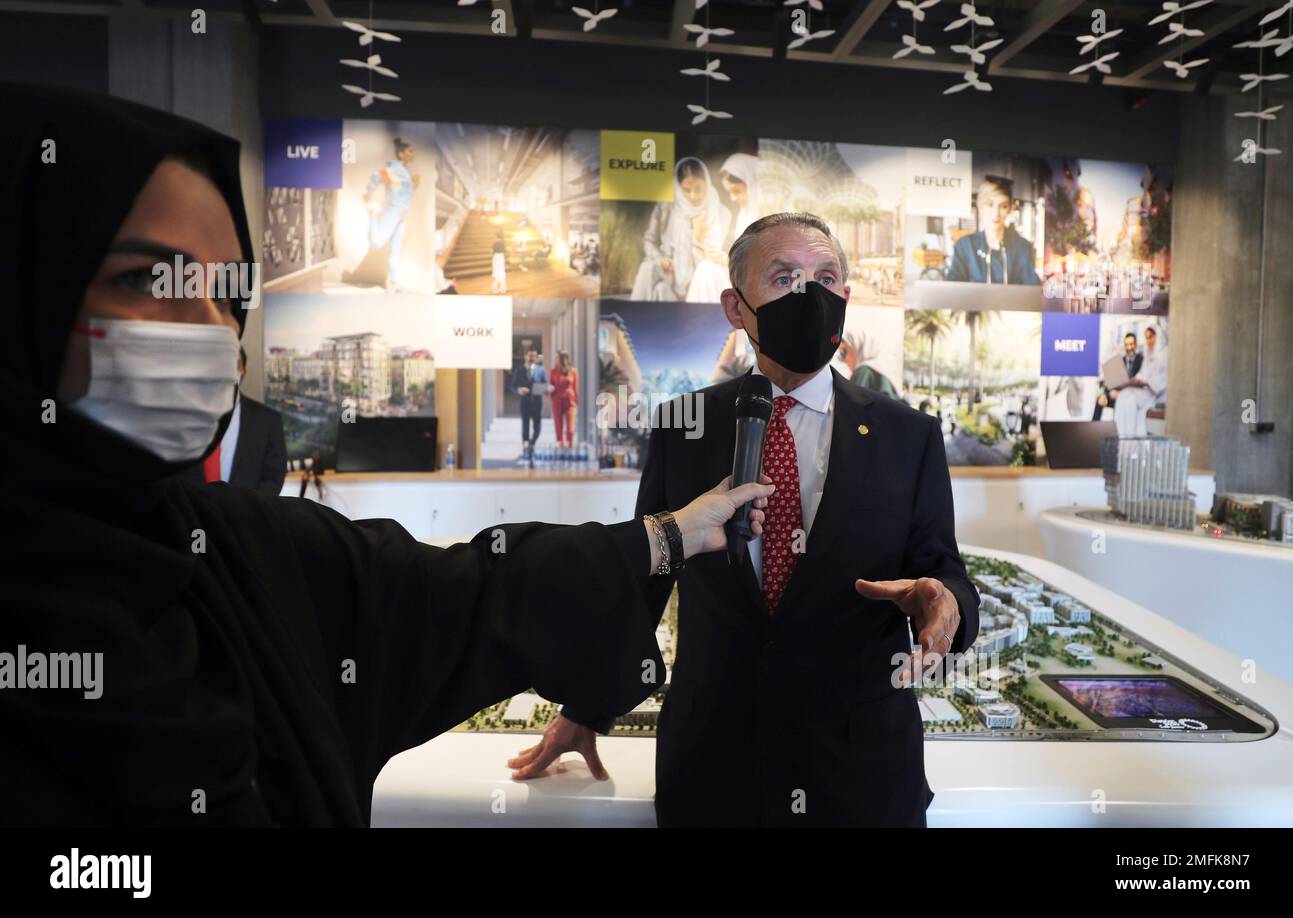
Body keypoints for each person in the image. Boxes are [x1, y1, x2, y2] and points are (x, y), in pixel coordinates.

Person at [0, 83, 773, 826]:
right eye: (147, 277)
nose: (206, 326)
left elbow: (467, 594)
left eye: (226, 291)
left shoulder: (242, 553)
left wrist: (670, 533)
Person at [514, 213, 980, 827]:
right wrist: (587, 709)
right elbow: (649, 580)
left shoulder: (907, 436)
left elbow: (943, 573)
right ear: (737, 307)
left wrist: (946, 601)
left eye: (825, 277)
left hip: (860, 774)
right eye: (785, 277)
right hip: (713, 769)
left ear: (843, 297)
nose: (808, 295)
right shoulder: (684, 425)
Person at [183, 346, 287, 495]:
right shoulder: (183, 417)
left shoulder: (269, 421)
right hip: (190, 514)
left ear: (242, 370)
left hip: (247, 515)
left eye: (233, 363)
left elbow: (273, 477)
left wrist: (248, 513)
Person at [629, 157, 727, 301]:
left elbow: (710, 257)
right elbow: (649, 240)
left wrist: (697, 236)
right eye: (686, 190)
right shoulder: (665, 207)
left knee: (706, 269)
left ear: (707, 183)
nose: (693, 196)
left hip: (699, 275)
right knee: (647, 269)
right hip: (668, 272)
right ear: (678, 187)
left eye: (698, 189)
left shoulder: (720, 212)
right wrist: (660, 259)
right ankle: (632, 317)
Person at [343, 137, 419, 293]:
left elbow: (402, 193)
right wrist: (368, 193)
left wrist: (413, 185)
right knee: (377, 244)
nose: (414, 153)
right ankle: (373, 214)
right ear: (401, 153)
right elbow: (377, 176)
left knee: (395, 251)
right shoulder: (395, 168)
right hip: (394, 210)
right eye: (410, 150)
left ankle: (393, 282)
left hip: (401, 215)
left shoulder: (403, 172)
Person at [685, 152, 760, 304]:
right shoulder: (743, 215)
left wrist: (728, 261)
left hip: (758, 286)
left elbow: (765, 263)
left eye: (736, 191)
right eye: (730, 192)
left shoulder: (769, 214)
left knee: (707, 270)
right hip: (741, 280)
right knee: (706, 268)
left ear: (752, 183)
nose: (733, 198)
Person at [945, 179, 1041, 285]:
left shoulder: (1022, 247)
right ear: (981, 207)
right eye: (990, 205)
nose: (996, 213)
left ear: (1009, 209)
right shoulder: (965, 246)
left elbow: (1032, 289)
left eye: (1003, 206)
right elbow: (952, 289)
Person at [1114, 325, 1166, 437]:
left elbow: (1163, 381)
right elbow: (1142, 373)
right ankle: (1123, 437)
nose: (1149, 341)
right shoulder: (1148, 354)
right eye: (1147, 338)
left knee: (1129, 398)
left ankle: (1129, 438)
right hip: (1145, 390)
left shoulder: (1164, 355)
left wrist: (1146, 382)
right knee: (1123, 395)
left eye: (1151, 337)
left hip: (1156, 393)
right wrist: (1136, 380)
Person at [1095, 332, 1143, 421]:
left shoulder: (1142, 361)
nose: (1129, 348)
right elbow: (1111, 381)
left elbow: (1141, 385)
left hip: (1132, 397)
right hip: (1117, 396)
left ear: (1136, 345)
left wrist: (1121, 394)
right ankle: (1092, 431)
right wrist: (1105, 395)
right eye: (1126, 345)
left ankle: (1118, 432)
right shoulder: (1121, 360)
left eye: (1131, 344)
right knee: (1100, 400)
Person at [510, 348, 547, 461]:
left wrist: (545, 389)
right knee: (525, 427)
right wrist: (519, 390)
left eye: (534, 356)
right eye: (530, 356)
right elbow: (513, 386)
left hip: (537, 403)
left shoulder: (541, 370)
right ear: (526, 357)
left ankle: (531, 444)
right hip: (525, 402)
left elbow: (544, 384)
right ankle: (526, 448)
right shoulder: (519, 370)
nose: (532, 358)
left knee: (538, 428)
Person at [549, 349, 578, 449]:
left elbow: (575, 388)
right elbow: (551, 385)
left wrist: (576, 402)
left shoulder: (573, 371)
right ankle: (561, 445)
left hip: (570, 401)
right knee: (558, 425)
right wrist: (549, 390)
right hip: (557, 400)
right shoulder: (553, 371)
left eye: (557, 357)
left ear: (562, 359)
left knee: (570, 429)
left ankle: (570, 444)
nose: (556, 359)